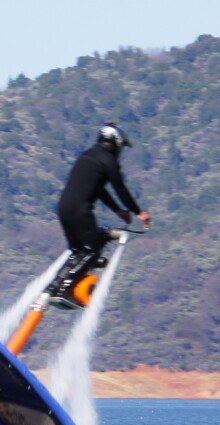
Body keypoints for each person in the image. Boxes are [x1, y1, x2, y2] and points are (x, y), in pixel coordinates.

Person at [49, 122, 151, 305]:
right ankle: (64, 290)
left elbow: (100, 190)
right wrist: (138, 212)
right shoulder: (108, 160)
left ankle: (54, 287)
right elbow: (119, 188)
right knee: (91, 251)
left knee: (78, 252)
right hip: (81, 210)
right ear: (116, 143)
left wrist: (118, 210)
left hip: (64, 208)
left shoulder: (88, 155)